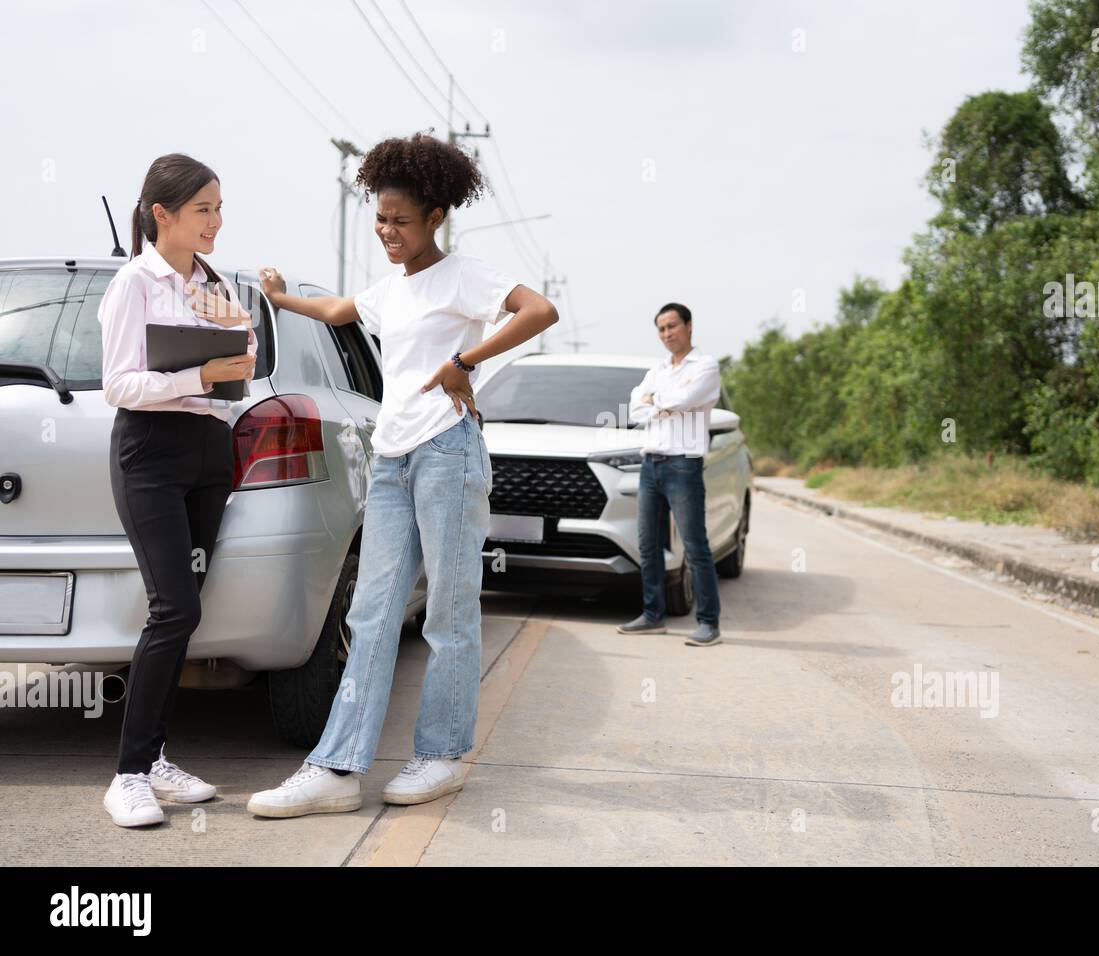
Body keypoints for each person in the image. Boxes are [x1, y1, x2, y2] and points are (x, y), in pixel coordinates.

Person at [246, 132, 558, 818]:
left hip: (448, 451)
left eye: (402, 222)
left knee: (447, 611)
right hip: (391, 460)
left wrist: (467, 362)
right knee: (371, 611)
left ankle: (441, 755)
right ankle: (336, 768)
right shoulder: (392, 287)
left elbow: (539, 310)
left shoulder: (465, 274)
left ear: (436, 217)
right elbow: (337, 311)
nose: (388, 232)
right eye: (381, 219)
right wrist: (276, 295)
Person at [98, 153, 258, 827]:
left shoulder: (210, 278)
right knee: (173, 609)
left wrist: (234, 337)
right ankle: (130, 774)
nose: (217, 220)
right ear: (162, 214)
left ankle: (156, 757)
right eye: (204, 209)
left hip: (208, 451)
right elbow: (119, 385)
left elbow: (243, 357)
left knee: (187, 611)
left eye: (220, 207)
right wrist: (199, 377)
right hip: (151, 451)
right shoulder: (134, 282)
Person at [618, 303, 723, 647]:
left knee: (695, 546)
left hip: (683, 464)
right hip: (651, 464)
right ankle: (653, 616)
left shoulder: (706, 366)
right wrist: (659, 401)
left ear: (689, 326)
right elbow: (636, 408)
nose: (667, 334)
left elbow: (688, 398)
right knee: (648, 545)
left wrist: (657, 400)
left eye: (672, 326)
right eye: (661, 329)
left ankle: (708, 624)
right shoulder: (657, 369)